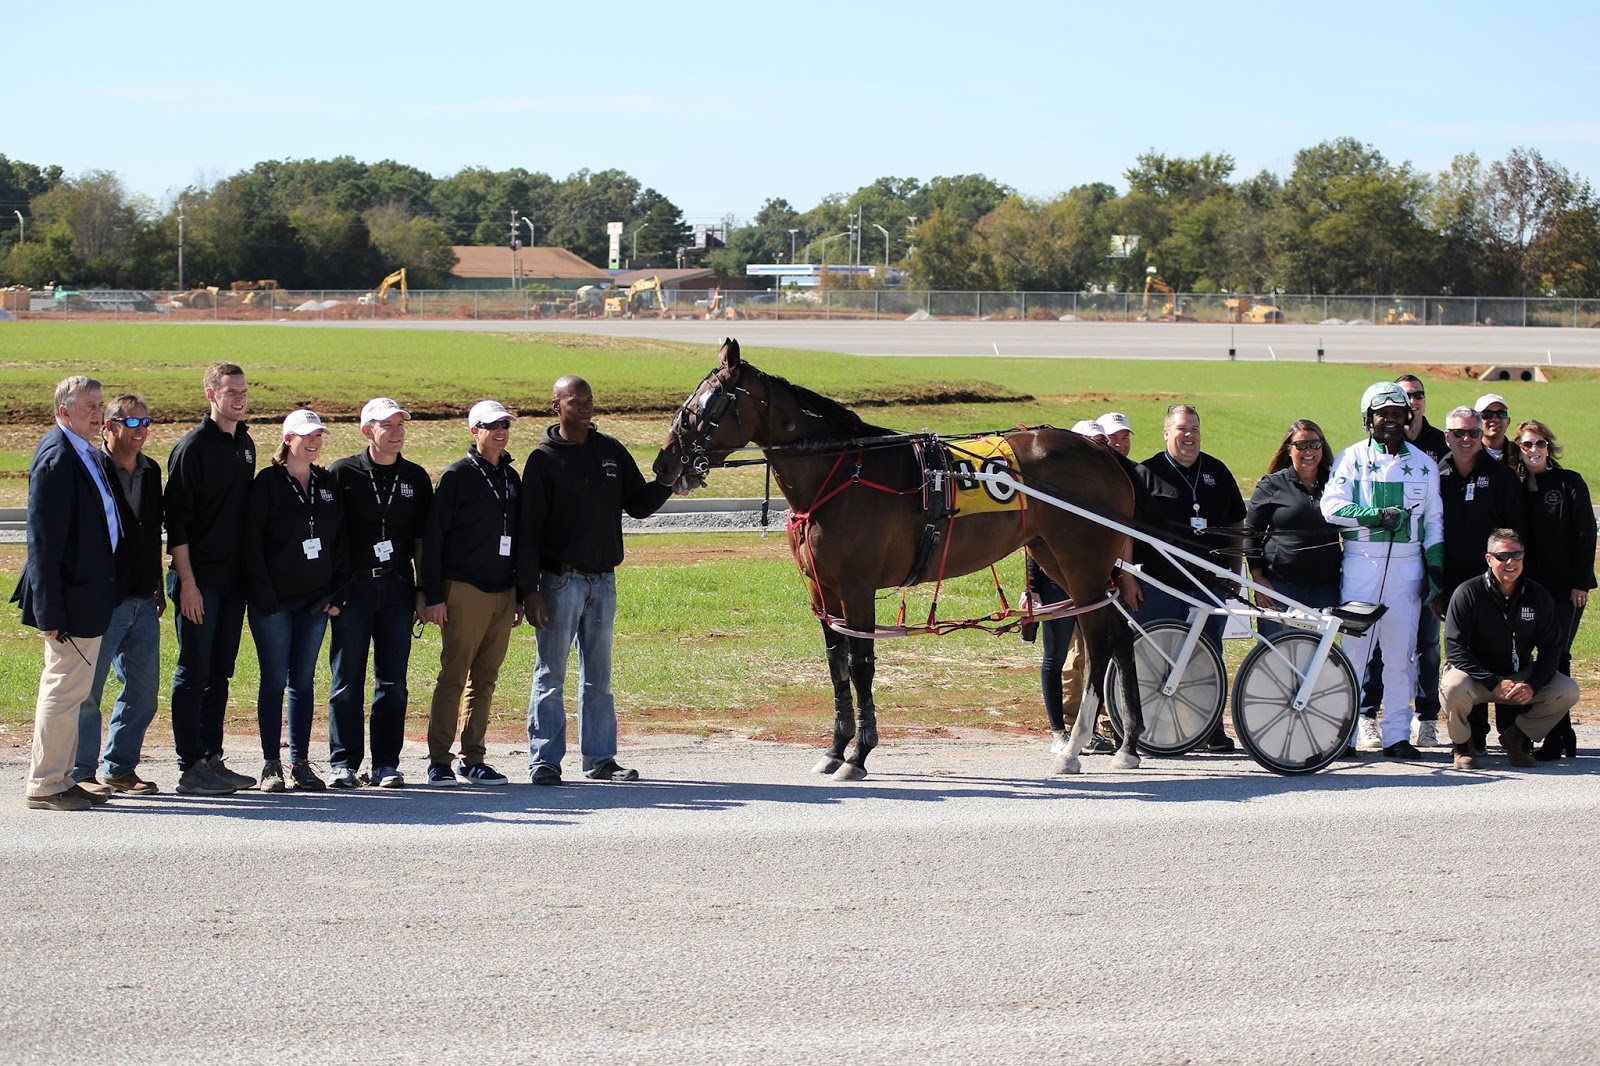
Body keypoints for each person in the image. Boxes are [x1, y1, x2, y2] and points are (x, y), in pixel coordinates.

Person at [520, 375, 674, 785]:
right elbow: (528, 531)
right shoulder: (542, 459)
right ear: (557, 406)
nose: (585, 407)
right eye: (575, 401)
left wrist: (667, 481)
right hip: (559, 583)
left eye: (589, 400)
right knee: (550, 673)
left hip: (603, 582)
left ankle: (601, 759)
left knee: (599, 678)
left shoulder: (610, 451)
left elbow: (638, 505)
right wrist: (529, 590)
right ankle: (545, 761)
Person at [12, 376, 120, 811]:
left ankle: (61, 775)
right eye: (88, 406)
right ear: (63, 412)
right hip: (69, 601)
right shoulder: (59, 457)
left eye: (99, 404)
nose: (98, 412)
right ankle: (46, 783)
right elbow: (42, 540)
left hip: (87, 595)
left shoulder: (84, 451)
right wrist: (49, 609)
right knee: (62, 689)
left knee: (73, 691)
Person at [1321, 382, 1444, 759]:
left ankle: (1396, 736)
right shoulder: (1351, 458)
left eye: (1396, 413)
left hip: (1407, 568)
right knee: (1355, 653)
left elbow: (1434, 522)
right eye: (1381, 414)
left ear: (1408, 416)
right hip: (1362, 563)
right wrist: (1374, 515)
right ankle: (1343, 734)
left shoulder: (1424, 464)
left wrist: (1436, 576)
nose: (1389, 420)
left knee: (1399, 655)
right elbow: (1331, 507)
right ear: (1368, 419)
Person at [326, 398, 434, 788]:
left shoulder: (416, 477)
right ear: (366, 430)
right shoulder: (343, 473)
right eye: (386, 425)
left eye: (400, 424)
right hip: (353, 587)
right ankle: (343, 763)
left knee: (393, 681)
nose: (396, 432)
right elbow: (329, 536)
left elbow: (423, 541)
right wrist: (330, 590)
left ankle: (386, 763)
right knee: (346, 678)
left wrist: (425, 590)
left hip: (397, 586)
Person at [163, 361, 258, 796]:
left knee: (221, 671)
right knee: (193, 671)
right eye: (230, 391)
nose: (239, 398)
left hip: (232, 581)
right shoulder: (192, 448)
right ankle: (190, 765)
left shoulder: (246, 443)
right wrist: (188, 584)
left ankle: (212, 759)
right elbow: (176, 524)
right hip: (198, 582)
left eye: (243, 390)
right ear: (210, 395)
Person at [243, 409, 348, 793]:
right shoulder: (267, 483)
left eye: (319, 434)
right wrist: (264, 597)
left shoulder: (325, 481)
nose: (315, 441)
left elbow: (339, 542)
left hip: (315, 602)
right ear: (288, 439)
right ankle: (271, 765)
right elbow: (251, 545)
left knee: (303, 682)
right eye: (306, 435)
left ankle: (300, 762)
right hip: (273, 602)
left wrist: (336, 594)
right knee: (274, 680)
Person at [419, 400, 522, 787]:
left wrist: (523, 595)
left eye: (505, 425)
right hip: (465, 590)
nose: (500, 431)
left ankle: (473, 758)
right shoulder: (457, 476)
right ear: (474, 430)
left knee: (485, 679)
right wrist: (433, 595)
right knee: (454, 675)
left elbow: (523, 537)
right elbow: (433, 539)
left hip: (504, 590)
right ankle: (439, 760)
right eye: (492, 425)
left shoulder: (511, 477)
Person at [1132, 403, 1245, 753]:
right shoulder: (1145, 474)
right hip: (1159, 585)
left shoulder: (1217, 471)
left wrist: (1234, 572)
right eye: (1181, 429)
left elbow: (1235, 524)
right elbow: (1127, 532)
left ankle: (1209, 729)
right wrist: (1129, 579)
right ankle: (1151, 730)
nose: (1189, 436)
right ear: (1166, 432)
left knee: (1207, 657)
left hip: (1207, 585)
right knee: (1154, 658)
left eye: (1194, 429)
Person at [73, 394, 165, 795]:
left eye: (146, 422)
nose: (141, 430)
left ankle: (120, 768)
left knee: (143, 694)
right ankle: (80, 773)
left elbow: (153, 535)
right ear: (109, 426)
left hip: (145, 600)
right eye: (131, 423)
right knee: (87, 695)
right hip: (105, 603)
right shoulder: (92, 469)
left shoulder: (152, 471)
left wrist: (159, 587)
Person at [1442, 530, 1579, 770]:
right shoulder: (1468, 593)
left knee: (1567, 690)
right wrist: (1493, 681)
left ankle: (1517, 737)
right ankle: (1463, 746)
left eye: (1517, 555)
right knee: (1451, 686)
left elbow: (1551, 648)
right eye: (1503, 556)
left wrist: (1533, 684)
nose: (1510, 562)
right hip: (1476, 677)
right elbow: (1455, 648)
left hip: (1519, 678)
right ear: (1489, 559)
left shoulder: (1537, 595)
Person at [1434, 405, 1523, 751]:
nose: (1467, 439)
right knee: (1461, 656)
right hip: (1453, 583)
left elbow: (1515, 529)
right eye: (1459, 433)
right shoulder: (1435, 474)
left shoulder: (1500, 475)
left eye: (1473, 432)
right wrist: (1436, 587)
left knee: (1504, 651)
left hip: (1496, 580)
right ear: (1448, 436)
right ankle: (1469, 739)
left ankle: (1513, 736)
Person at [1029, 418, 1115, 755]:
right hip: (1056, 584)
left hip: (1090, 582)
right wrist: (1033, 586)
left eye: (1101, 442)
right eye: (1092, 442)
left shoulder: (1100, 487)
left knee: (1089, 654)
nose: (1099, 447)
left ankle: (1092, 727)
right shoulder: (1056, 486)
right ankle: (1057, 731)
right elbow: (1032, 544)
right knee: (1056, 656)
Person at [1510, 418, 1594, 760]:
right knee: (1536, 656)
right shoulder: (1514, 487)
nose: (1534, 450)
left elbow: (1586, 533)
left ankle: (1560, 736)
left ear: (1549, 447)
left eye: (1540, 443)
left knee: (1557, 655)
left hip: (1565, 588)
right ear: (1518, 449)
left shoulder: (1568, 482)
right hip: (1529, 588)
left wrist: (1579, 582)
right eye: (1527, 444)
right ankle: (1559, 734)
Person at [1244, 419, 1341, 638]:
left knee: (1317, 656)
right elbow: (1250, 535)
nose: (1309, 450)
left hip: (1325, 588)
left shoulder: (1336, 483)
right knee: (1276, 652)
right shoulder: (1271, 484)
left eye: (1315, 444)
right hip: (1279, 587)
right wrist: (1258, 580)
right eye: (1301, 445)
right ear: (1289, 450)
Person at [1395, 374, 1448, 464]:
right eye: (1406, 396)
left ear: (1424, 400)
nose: (1412, 401)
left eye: (1418, 395)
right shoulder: (1387, 440)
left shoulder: (1442, 441)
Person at [1474, 393, 1512, 462]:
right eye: (1487, 415)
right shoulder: (1468, 454)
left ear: (1508, 421)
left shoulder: (1520, 454)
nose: (1495, 419)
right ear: (1476, 422)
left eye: (1501, 413)